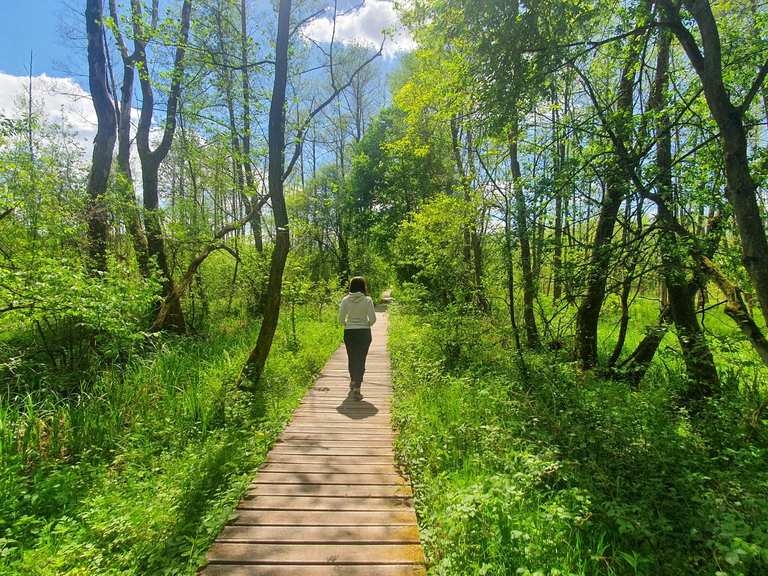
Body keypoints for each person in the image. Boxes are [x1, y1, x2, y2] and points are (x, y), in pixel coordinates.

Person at [338, 276, 376, 400]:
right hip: (364, 333)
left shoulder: (345, 300)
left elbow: (340, 320)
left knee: (352, 357)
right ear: (363, 286)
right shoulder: (368, 300)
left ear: (351, 286)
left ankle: (353, 381)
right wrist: (365, 324)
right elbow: (373, 319)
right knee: (361, 359)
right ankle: (357, 388)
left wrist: (348, 324)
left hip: (350, 332)